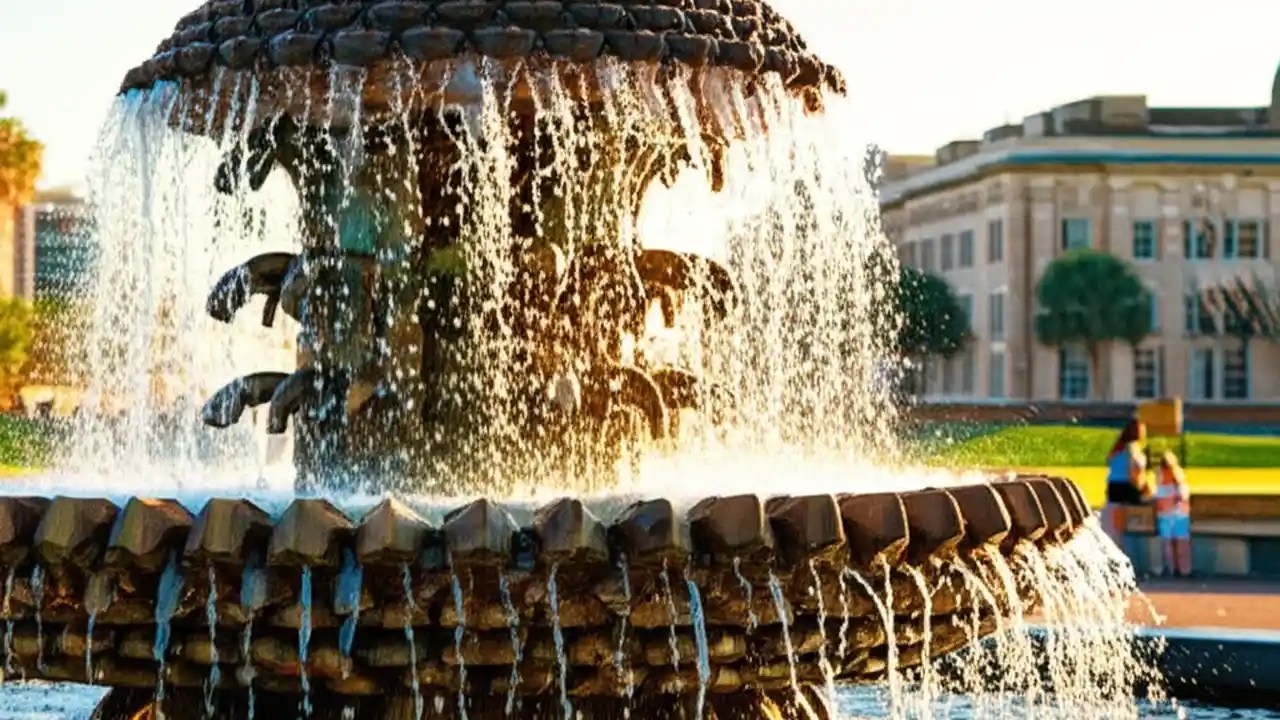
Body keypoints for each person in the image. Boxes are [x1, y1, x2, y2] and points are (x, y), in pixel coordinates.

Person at [1103, 419, 1149, 548]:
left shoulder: (1118, 447)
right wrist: (1144, 488)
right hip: (1127, 487)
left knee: (1116, 524)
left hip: (1113, 487)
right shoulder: (1133, 448)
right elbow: (1135, 471)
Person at [1154, 450, 1193, 577]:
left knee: (1180, 544)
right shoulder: (1160, 479)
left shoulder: (1179, 480)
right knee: (1168, 545)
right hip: (1167, 516)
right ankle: (1173, 569)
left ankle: (1183, 570)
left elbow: (1183, 498)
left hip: (1178, 516)